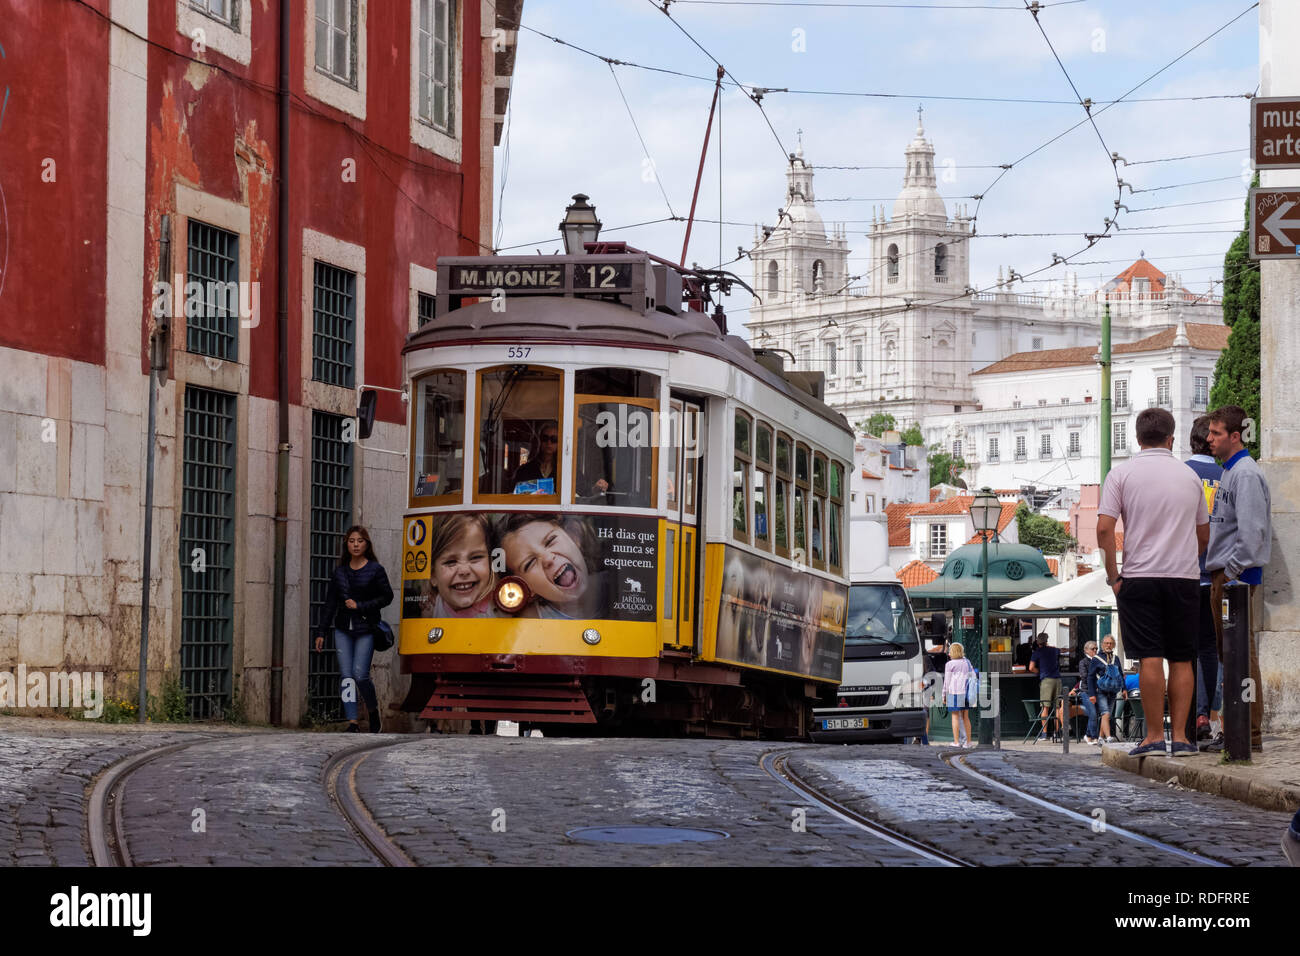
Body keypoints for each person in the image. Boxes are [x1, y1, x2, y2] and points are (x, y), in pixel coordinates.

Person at [1097, 407, 1209, 758]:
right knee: (1182, 658)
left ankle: (1154, 737)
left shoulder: (1122, 474)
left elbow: (1103, 528)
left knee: (1148, 657)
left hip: (1140, 576)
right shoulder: (1189, 476)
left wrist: (1114, 575)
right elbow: (1203, 534)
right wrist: (1188, 556)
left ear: (1137, 438)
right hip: (1184, 576)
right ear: (1171, 438)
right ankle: (1182, 737)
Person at [1204, 404, 1272, 753]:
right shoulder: (1231, 472)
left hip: (1236, 577)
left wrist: (1229, 574)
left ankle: (1247, 733)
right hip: (1228, 575)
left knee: (1240, 655)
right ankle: (1238, 730)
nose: (1209, 438)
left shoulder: (1244, 474)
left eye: (1215, 433)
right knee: (1231, 654)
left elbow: (1252, 533)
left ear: (1234, 435)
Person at [315, 525, 394, 733]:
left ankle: (373, 711)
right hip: (342, 629)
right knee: (346, 675)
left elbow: (387, 597)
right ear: (346, 544)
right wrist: (321, 632)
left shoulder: (376, 570)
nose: (356, 544)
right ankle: (353, 722)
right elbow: (330, 603)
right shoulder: (339, 572)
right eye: (351, 541)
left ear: (366, 544)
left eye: (360, 541)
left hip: (365, 628)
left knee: (360, 675)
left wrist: (360, 606)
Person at [1184, 415, 1223, 744]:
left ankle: (1185, 719)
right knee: (1209, 650)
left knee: (1182, 649)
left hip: (1182, 574)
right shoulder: (1226, 475)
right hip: (1216, 574)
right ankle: (1204, 713)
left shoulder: (1181, 474)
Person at [497, 513, 606, 619]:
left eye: (550, 541)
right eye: (529, 563)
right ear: (523, 586)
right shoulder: (532, 622)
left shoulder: (617, 584)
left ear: (573, 536)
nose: (548, 558)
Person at [426, 513, 497, 618]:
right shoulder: (431, 609)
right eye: (450, 562)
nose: (464, 570)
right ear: (433, 575)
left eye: (475, 558)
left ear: (491, 562)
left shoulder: (500, 610)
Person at [1086, 635, 1126, 744]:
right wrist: (1092, 694)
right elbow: (1090, 677)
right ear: (1102, 644)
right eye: (1106, 643)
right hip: (1100, 691)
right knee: (1105, 713)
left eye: (1111, 643)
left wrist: (1124, 689)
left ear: (1113, 645)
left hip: (1113, 691)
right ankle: (1108, 737)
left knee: (1106, 715)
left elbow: (1121, 675)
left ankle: (1100, 738)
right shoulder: (1096, 659)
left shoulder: (1116, 658)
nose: (1108, 645)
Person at [943, 641, 976, 748]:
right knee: (966, 717)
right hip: (966, 692)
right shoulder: (967, 662)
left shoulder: (949, 664)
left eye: (950, 651)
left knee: (955, 717)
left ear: (953, 652)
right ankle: (968, 742)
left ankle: (956, 742)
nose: (948, 653)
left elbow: (947, 682)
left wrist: (944, 695)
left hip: (954, 693)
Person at [1028, 633, 1061, 741]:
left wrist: (1040, 671)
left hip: (1046, 681)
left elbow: (1031, 668)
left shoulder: (1037, 653)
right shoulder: (1054, 650)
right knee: (1057, 707)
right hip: (1057, 680)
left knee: (1045, 707)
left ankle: (1044, 733)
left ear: (1037, 642)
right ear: (1047, 640)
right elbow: (1064, 650)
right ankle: (1057, 733)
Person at [512, 421, 560, 493]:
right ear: (539, 441)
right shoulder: (524, 470)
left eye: (554, 439)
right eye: (545, 438)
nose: (549, 443)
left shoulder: (566, 471)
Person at [1073, 640, 1101, 744]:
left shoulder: (1098, 660)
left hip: (1098, 691)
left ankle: (1088, 735)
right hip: (1086, 691)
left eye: (1096, 649)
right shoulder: (1083, 662)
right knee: (1093, 714)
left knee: (1095, 714)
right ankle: (1094, 737)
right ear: (1086, 650)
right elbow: (1084, 677)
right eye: (1093, 649)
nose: (1095, 650)